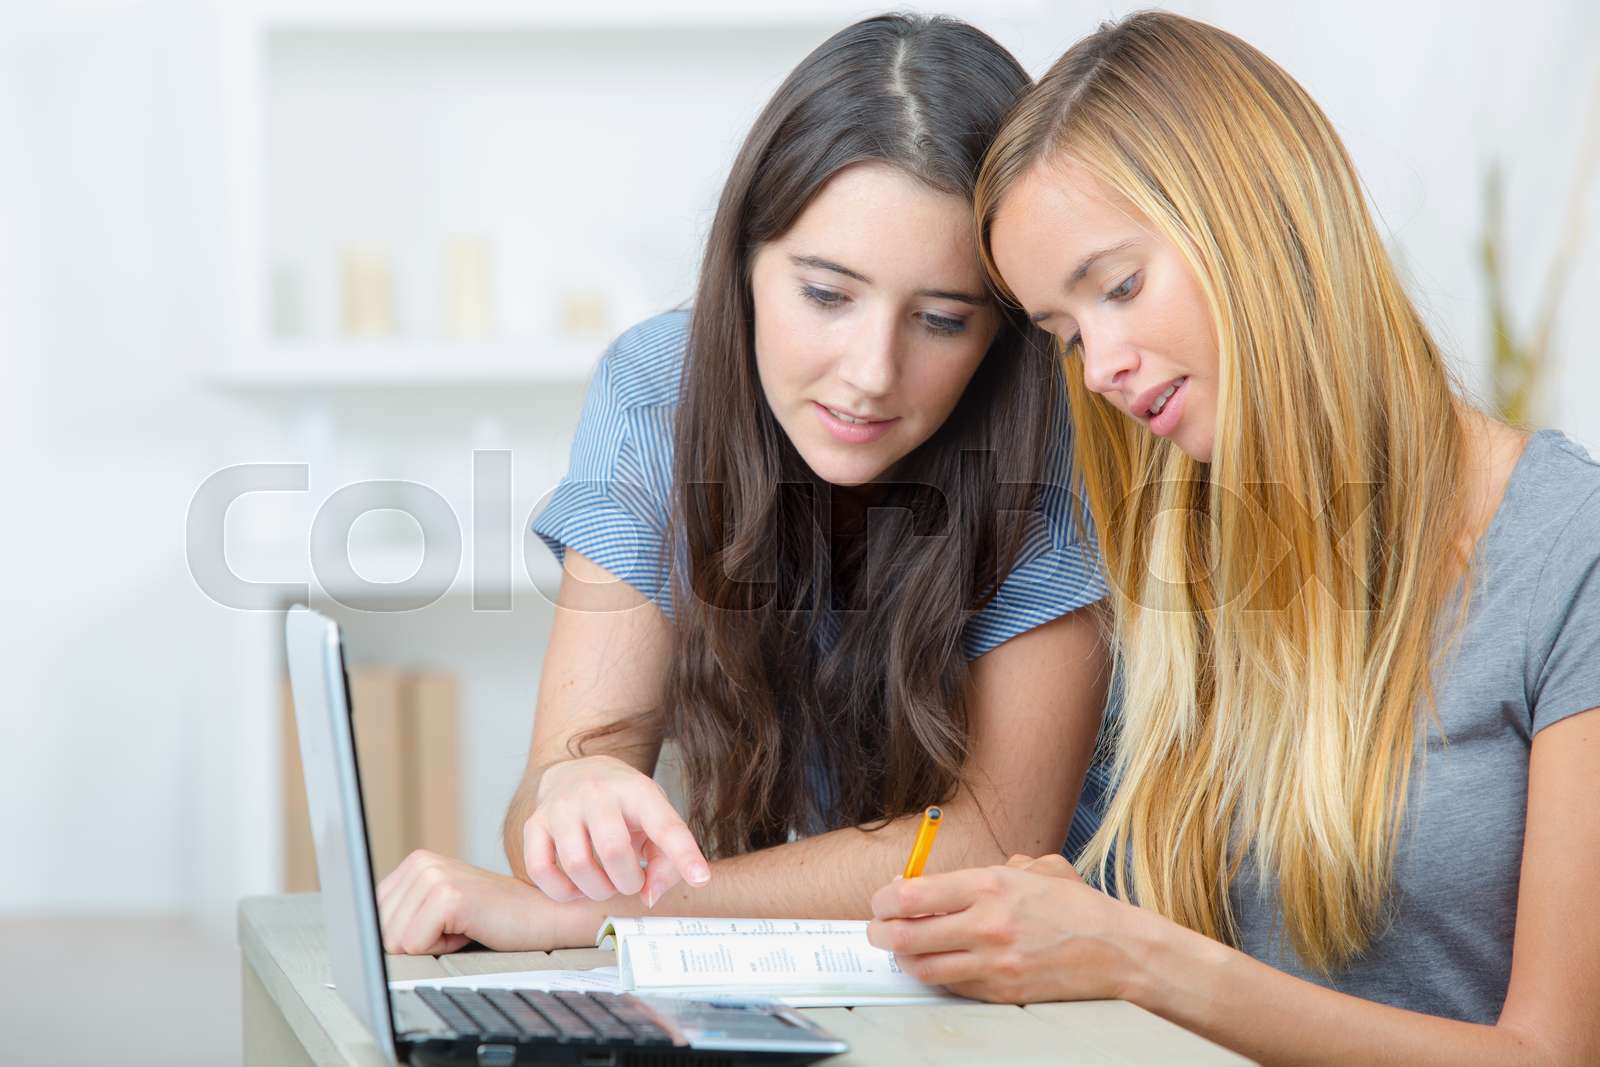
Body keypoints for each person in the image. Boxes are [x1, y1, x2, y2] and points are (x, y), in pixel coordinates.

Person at [867, 12, 1600, 1064]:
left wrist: (1136, 957)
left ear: (1258, 218)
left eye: (1120, 288)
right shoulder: (1176, 551)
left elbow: (1554, 1054)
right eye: (1066, 337)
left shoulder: (1568, 550)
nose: (1102, 367)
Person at [377, 13, 1113, 956]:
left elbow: (994, 842)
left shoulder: (1057, 416)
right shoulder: (659, 388)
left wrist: (592, 915)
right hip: (873, 968)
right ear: (745, 264)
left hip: (1091, 980)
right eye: (826, 295)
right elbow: (561, 781)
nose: (871, 372)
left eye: (940, 319)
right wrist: (570, 790)